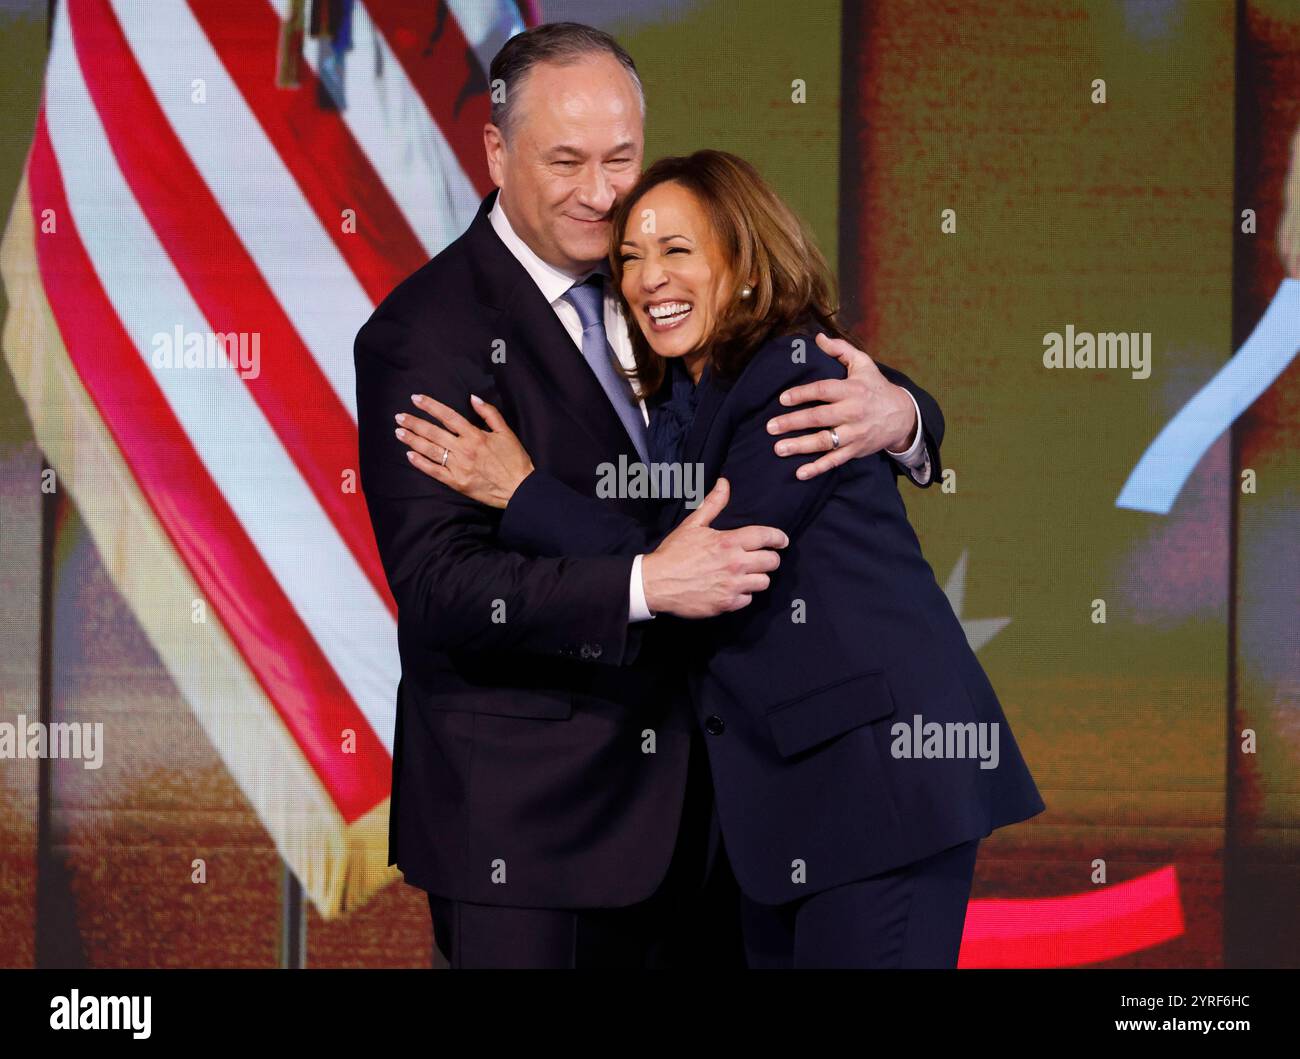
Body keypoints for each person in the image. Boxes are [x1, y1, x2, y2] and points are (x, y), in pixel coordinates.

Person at [355, 22, 944, 969]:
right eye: (567, 161)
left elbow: (790, 374)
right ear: (497, 152)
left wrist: (903, 412)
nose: (600, 192)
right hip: (532, 834)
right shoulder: (426, 335)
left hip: (717, 825)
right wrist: (642, 584)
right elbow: (439, 585)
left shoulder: (662, 272)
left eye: (620, 157)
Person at [397, 149, 1046, 968]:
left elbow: (707, 563)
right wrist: (912, 409)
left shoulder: (791, 378)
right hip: (788, 812)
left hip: (878, 790)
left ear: (742, 263)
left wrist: (523, 492)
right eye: (630, 257)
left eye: (677, 251)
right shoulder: (684, 393)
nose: (646, 277)